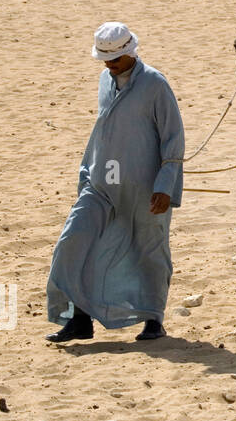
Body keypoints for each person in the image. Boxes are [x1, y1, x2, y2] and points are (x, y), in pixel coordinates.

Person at [45, 22, 184, 343]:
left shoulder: (154, 84)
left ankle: (153, 320)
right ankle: (78, 319)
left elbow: (173, 138)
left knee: (149, 250)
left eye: (116, 59)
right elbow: (102, 134)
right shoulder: (104, 81)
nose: (109, 65)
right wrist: (86, 175)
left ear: (131, 52)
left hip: (145, 189)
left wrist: (166, 185)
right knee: (75, 241)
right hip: (101, 184)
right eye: (105, 60)